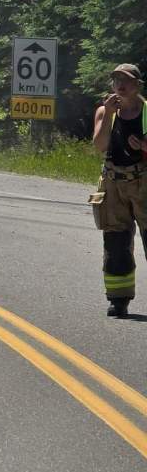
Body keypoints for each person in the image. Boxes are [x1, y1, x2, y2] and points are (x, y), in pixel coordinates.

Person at [91, 63, 147, 318]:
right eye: (115, 80)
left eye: (125, 80)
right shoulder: (105, 111)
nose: (120, 85)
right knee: (115, 242)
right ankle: (118, 299)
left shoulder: (146, 111)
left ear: (137, 85)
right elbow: (100, 146)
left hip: (143, 182)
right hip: (113, 183)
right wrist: (108, 117)